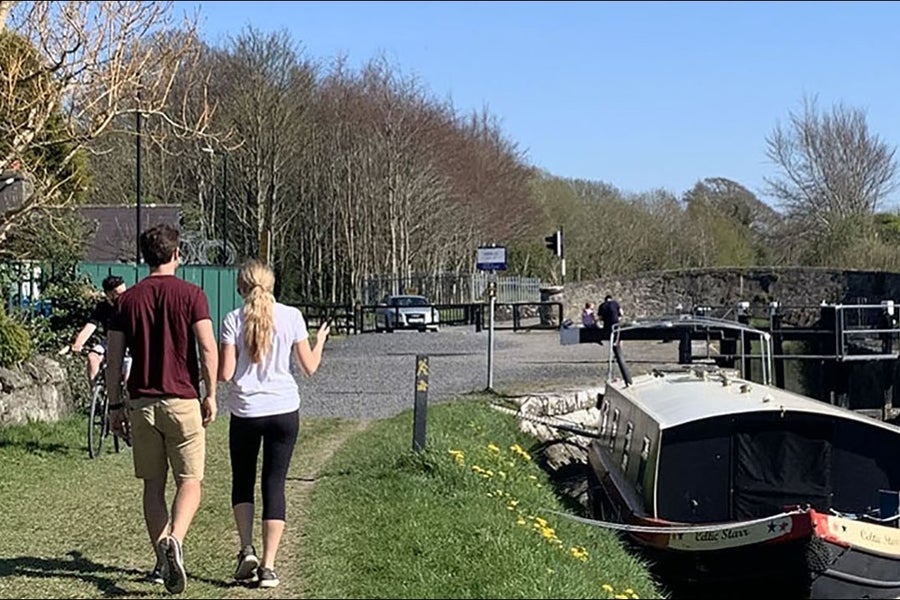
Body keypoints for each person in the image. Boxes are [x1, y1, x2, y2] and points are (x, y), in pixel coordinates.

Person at [106, 223, 219, 595]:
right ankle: (176, 540)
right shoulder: (192, 295)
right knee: (191, 482)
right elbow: (207, 348)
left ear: (144, 257)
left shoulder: (127, 300)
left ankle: (160, 559)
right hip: (182, 399)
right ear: (176, 254)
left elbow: (114, 356)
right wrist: (211, 393)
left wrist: (116, 404)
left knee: (153, 486)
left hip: (141, 402)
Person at [218, 258, 330, 589]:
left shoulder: (232, 320)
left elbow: (225, 374)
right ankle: (268, 566)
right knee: (275, 482)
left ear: (241, 287)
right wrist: (320, 340)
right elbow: (309, 367)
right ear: (272, 284)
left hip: (246, 411)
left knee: (243, 479)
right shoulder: (292, 316)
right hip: (284, 410)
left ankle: (245, 549)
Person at [70, 275, 128, 384]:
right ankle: (96, 394)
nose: (124, 296)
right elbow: (91, 325)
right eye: (119, 294)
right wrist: (78, 343)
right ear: (109, 294)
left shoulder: (130, 305)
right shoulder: (103, 307)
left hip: (129, 342)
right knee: (92, 357)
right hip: (110, 341)